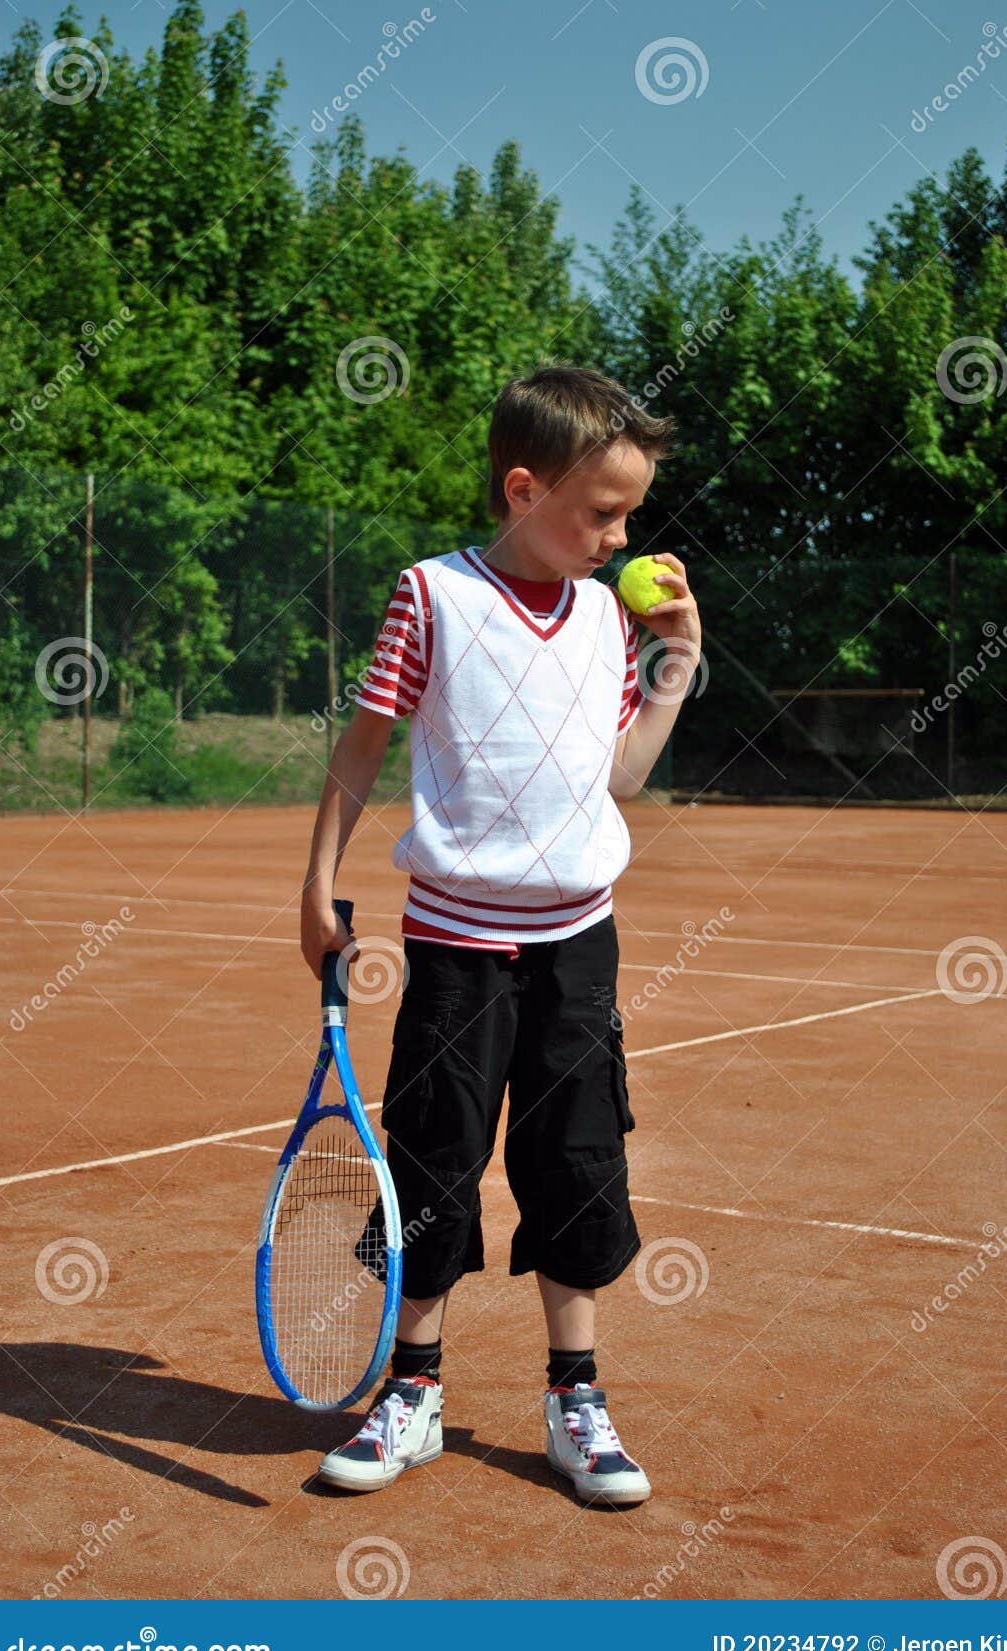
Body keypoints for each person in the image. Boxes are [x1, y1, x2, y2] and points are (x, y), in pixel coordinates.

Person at [300, 364, 701, 1505]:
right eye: (601, 513)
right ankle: (412, 1389)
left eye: (630, 513)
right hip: (455, 947)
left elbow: (614, 778)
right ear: (524, 489)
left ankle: (576, 1393)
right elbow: (364, 744)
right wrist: (316, 884)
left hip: (581, 946)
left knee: (578, 1161)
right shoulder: (432, 595)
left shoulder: (606, 619)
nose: (622, 537)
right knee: (433, 1160)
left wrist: (674, 663)